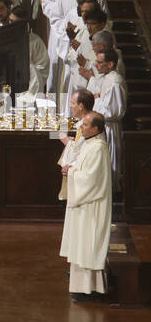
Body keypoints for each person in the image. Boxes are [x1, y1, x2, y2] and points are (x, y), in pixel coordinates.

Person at [60, 111, 111, 302]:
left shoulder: (98, 148)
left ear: (96, 129)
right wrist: (72, 168)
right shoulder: (90, 144)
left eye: (86, 125)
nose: (81, 127)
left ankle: (91, 289)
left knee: (88, 246)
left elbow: (90, 179)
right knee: (81, 245)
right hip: (84, 204)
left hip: (91, 205)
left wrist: (71, 171)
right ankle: (81, 288)